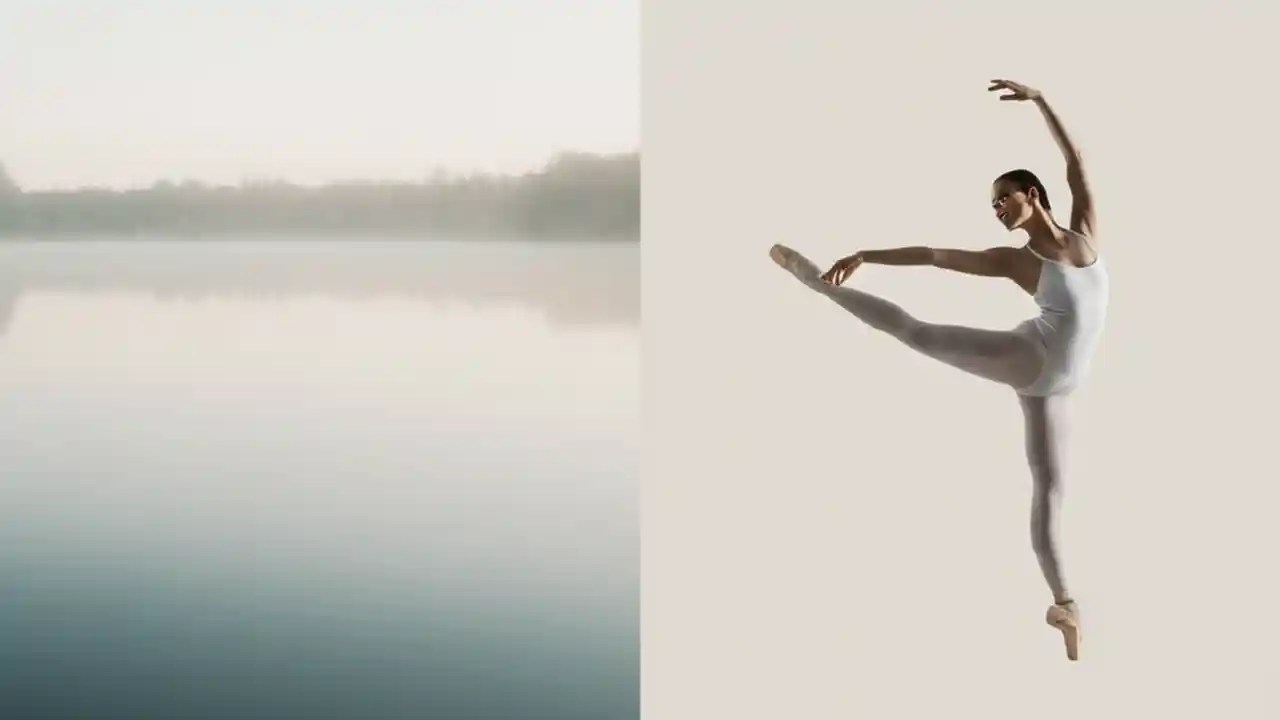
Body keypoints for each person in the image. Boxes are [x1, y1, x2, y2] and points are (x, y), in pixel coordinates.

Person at [769, 79, 1107, 661]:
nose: (998, 209)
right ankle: (812, 281)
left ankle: (1064, 605)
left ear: (1032, 193)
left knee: (1049, 492)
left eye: (1003, 198)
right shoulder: (1015, 262)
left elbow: (1075, 161)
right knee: (916, 333)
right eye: (993, 206)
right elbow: (934, 255)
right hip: (1037, 360)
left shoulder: (1084, 236)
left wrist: (1040, 99)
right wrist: (866, 255)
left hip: (1061, 386)